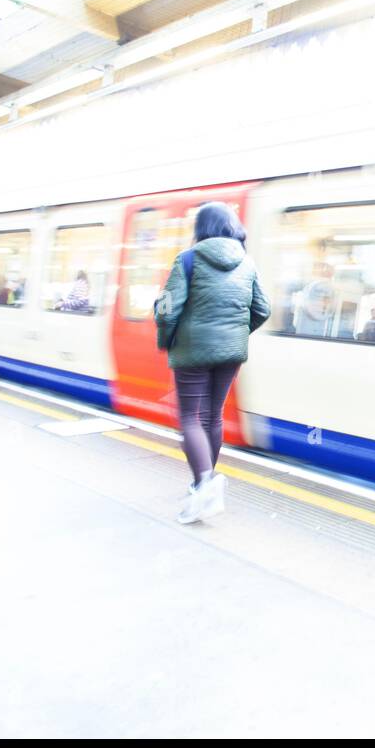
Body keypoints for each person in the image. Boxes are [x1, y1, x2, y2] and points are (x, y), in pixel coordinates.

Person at [154, 202, 271, 524]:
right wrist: (235, 333)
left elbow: (168, 310)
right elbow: (262, 309)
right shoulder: (247, 263)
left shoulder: (188, 259)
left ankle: (205, 484)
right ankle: (203, 481)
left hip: (193, 349)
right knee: (213, 416)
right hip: (231, 352)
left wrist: (166, 340)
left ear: (201, 228)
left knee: (190, 417)